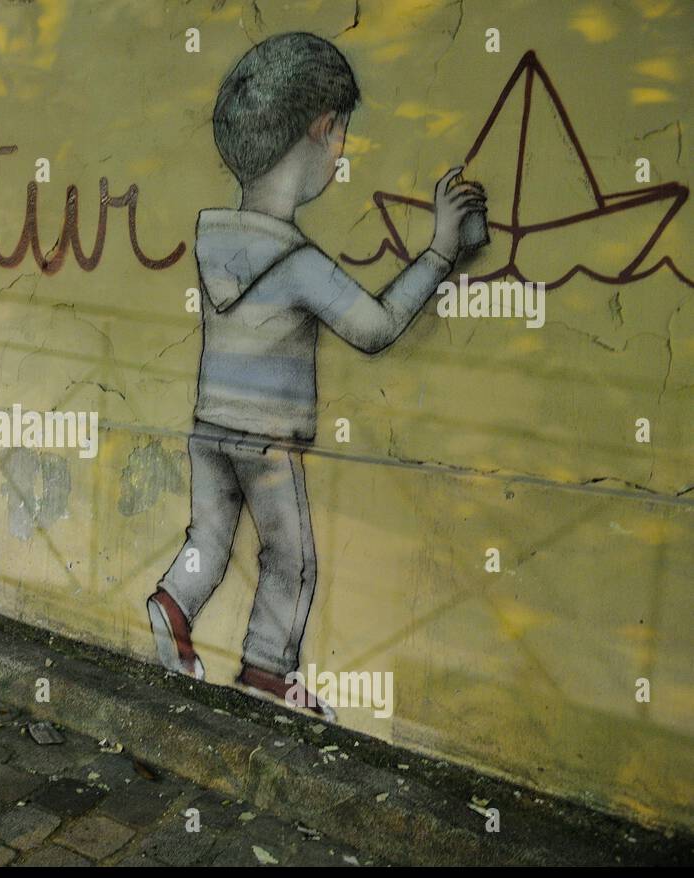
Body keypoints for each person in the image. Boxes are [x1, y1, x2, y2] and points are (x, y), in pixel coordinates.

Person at [147, 33, 485, 717]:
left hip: (210, 426)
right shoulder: (297, 262)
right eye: (341, 139)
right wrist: (441, 253)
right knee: (291, 559)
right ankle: (269, 668)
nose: (343, 155)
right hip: (267, 437)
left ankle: (171, 605)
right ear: (320, 131)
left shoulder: (215, 240)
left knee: (208, 537)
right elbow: (374, 328)